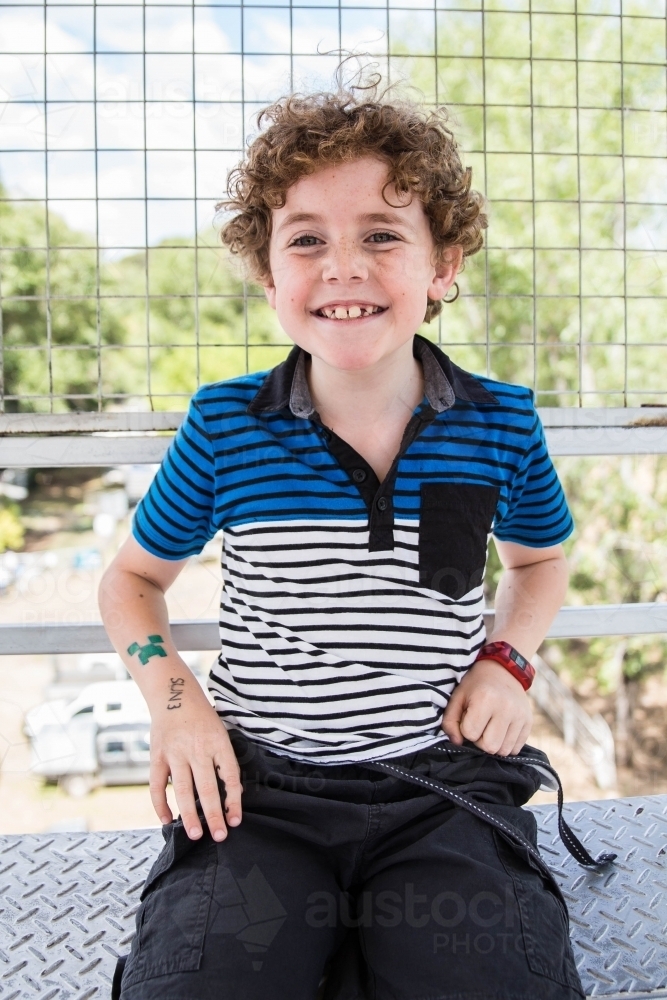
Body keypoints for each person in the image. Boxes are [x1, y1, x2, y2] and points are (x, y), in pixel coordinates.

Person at [101, 72, 597, 1000]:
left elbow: (541, 561)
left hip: (441, 797)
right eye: (306, 241)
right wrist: (176, 702)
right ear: (268, 272)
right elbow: (130, 582)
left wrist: (509, 660)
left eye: (381, 234)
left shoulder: (500, 424)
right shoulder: (224, 427)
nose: (343, 266)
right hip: (262, 805)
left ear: (442, 264)